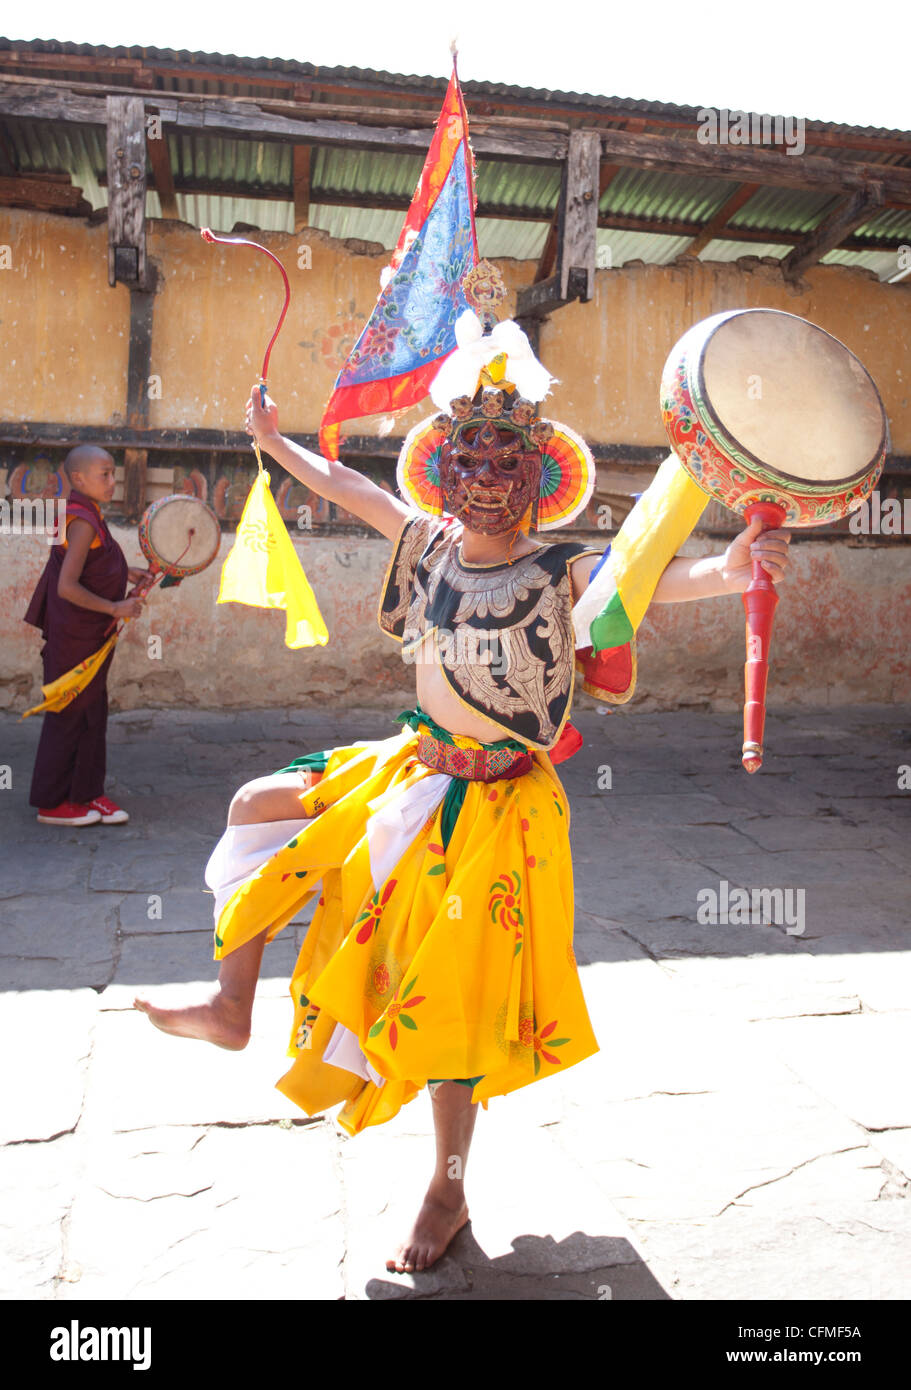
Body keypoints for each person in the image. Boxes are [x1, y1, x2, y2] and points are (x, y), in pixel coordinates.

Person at [134, 319, 791, 1274]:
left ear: (537, 477)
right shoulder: (430, 546)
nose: (485, 476)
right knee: (253, 805)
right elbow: (352, 486)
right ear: (442, 469)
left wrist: (731, 571)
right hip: (413, 766)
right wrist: (274, 445)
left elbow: (642, 584)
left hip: (498, 809)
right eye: (469, 456)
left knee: (447, 1006)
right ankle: (233, 1005)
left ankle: (446, 1186)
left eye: (504, 460)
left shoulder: (558, 568)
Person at [25, 446, 147, 826]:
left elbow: (97, 559)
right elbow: (66, 586)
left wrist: (127, 574)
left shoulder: (87, 512)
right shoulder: (81, 521)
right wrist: (115, 608)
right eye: (105, 474)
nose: (113, 482)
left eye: (113, 474)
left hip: (89, 635)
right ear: (79, 479)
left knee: (92, 713)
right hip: (75, 637)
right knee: (68, 713)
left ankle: (87, 794)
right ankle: (53, 804)